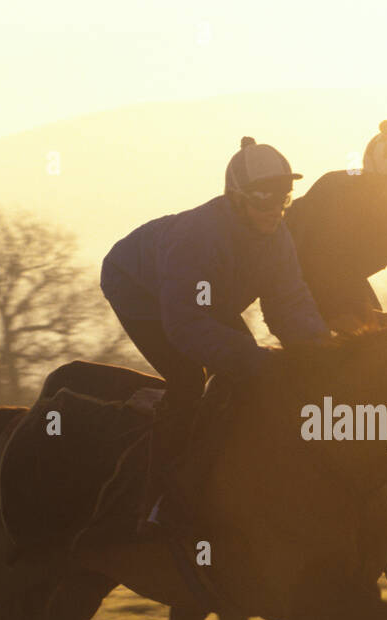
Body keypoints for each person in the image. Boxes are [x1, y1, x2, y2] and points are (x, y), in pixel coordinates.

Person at [100, 136, 330, 540]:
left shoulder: (278, 237)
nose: (275, 209)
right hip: (139, 287)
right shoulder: (199, 238)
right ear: (236, 198)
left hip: (204, 297)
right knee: (190, 382)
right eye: (264, 198)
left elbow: (289, 304)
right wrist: (255, 358)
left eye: (284, 198)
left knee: (251, 376)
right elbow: (185, 323)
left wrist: (324, 354)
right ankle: (157, 503)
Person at [284, 119, 387, 334]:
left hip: (346, 278)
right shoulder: (334, 194)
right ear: (371, 180)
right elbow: (317, 268)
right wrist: (350, 318)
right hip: (288, 271)